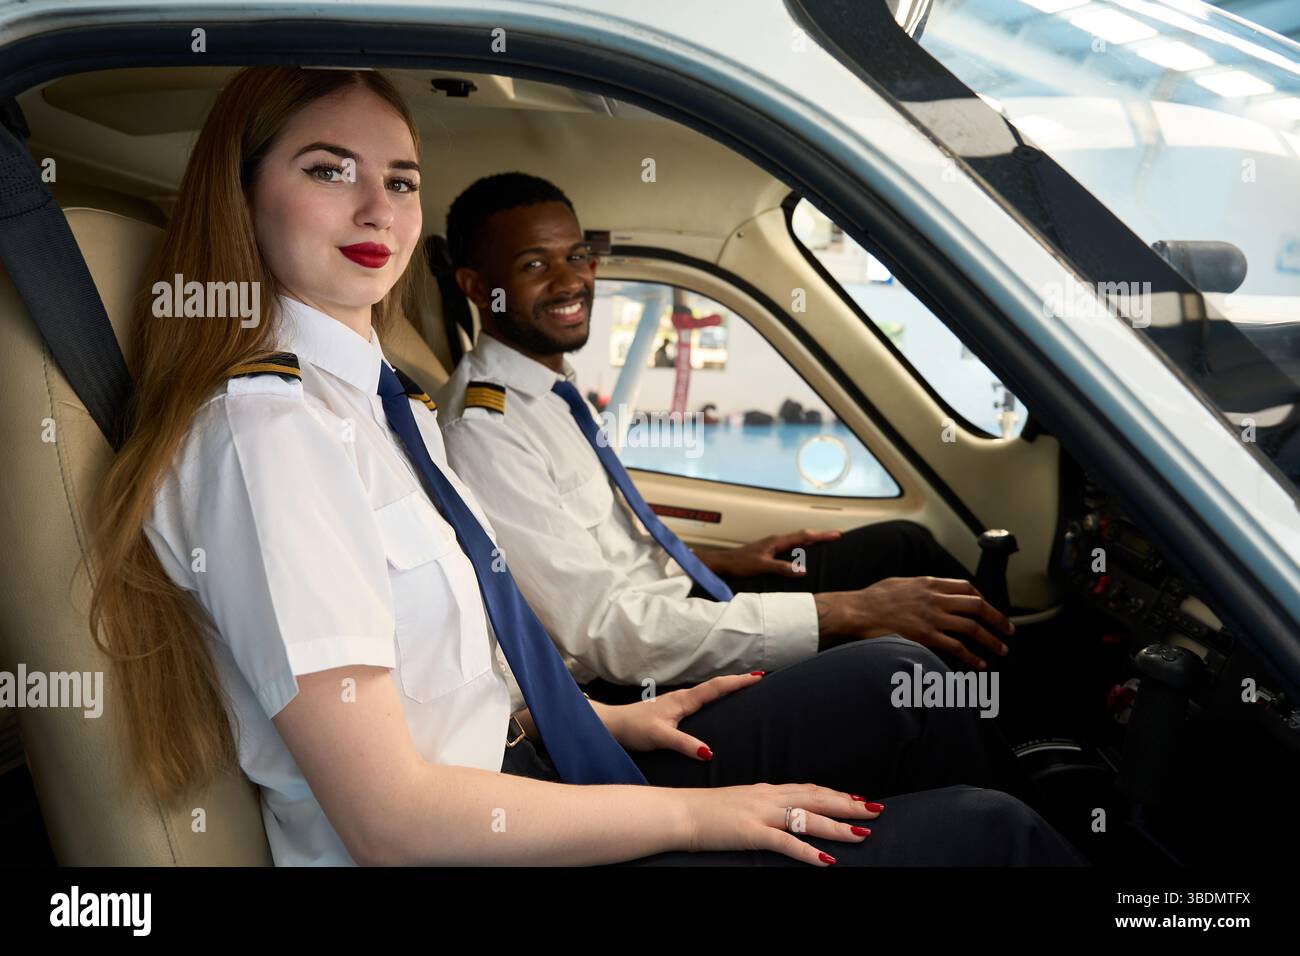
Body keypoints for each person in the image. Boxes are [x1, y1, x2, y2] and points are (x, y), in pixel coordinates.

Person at [87, 66, 1081, 866]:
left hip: (540, 763)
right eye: (326, 169)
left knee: (893, 683)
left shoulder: (380, 409)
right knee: (980, 832)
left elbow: (447, 670)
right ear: (244, 194)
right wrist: (703, 817)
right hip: (471, 838)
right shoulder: (270, 438)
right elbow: (390, 822)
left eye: (398, 179)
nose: (376, 208)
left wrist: (610, 717)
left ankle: (1060, 770)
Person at [435, 173, 1016, 711]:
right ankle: (1025, 762)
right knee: (898, 674)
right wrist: (848, 612)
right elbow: (607, 635)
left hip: (668, 596)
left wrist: (712, 558)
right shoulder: (487, 432)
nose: (571, 280)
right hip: (632, 678)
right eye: (535, 264)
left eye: (577, 255)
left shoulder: (549, 387)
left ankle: (1028, 719)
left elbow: (601, 553)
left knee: (901, 547)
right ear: (478, 288)